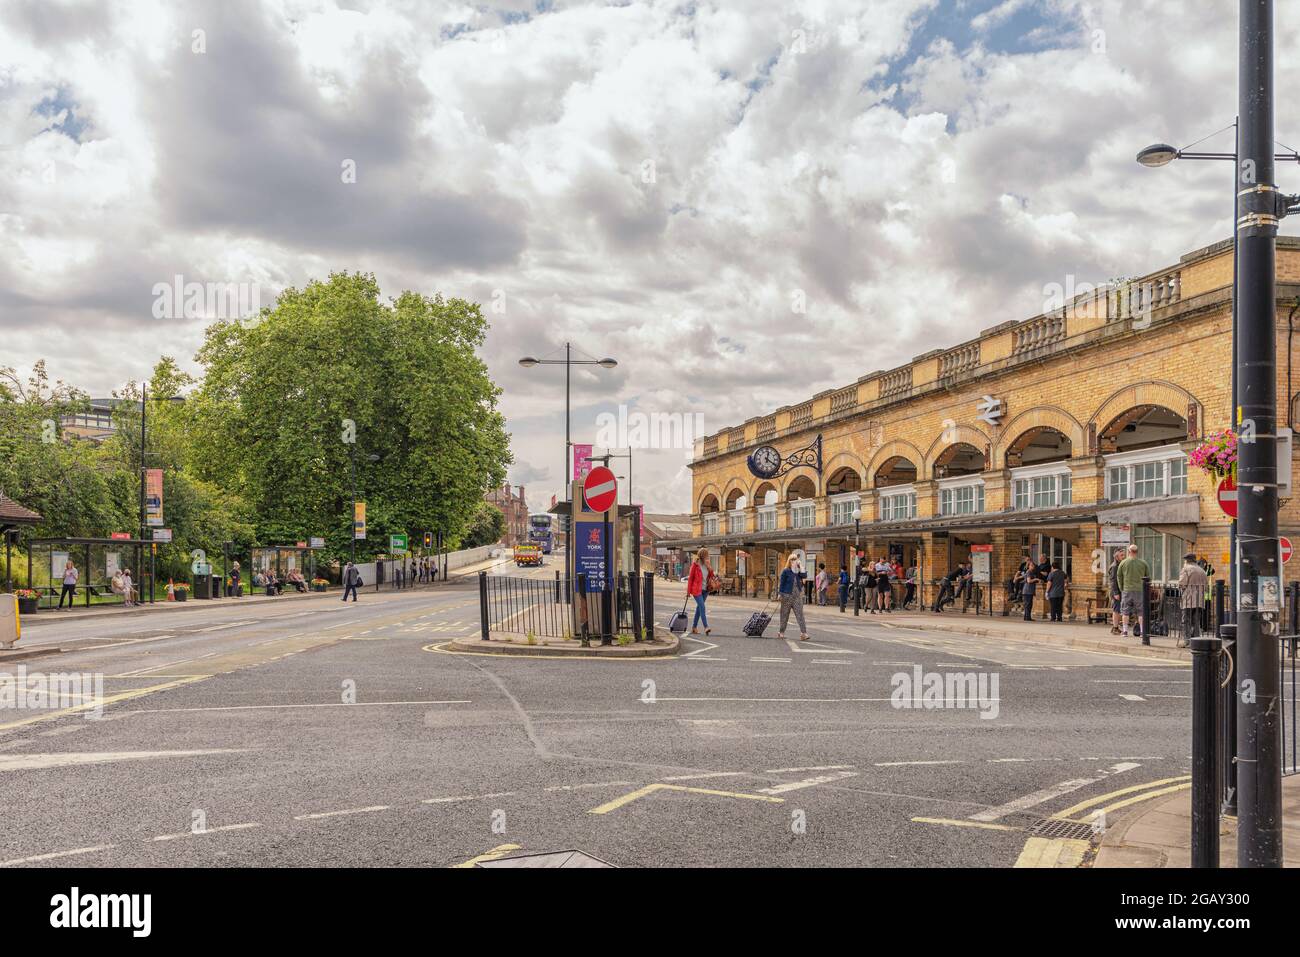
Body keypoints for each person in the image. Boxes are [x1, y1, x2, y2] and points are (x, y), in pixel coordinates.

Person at [1117, 543, 1150, 638]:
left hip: (1127, 590)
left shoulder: (1123, 563)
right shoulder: (1143, 563)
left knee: (1125, 612)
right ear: (1137, 552)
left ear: (1129, 552)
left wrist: (1121, 588)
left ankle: (1125, 631)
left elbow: (1119, 576)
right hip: (1140, 590)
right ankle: (1142, 632)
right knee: (1141, 612)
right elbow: (1148, 577)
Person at [1177, 553, 1209, 647]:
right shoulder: (1202, 570)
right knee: (1196, 621)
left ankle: (1187, 640)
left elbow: (1182, 584)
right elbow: (1206, 586)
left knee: (1186, 620)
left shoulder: (1186, 569)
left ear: (1187, 560)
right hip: (1199, 600)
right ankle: (1196, 641)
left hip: (1188, 600)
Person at [776, 552, 809, 641]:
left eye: (795, 559)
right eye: (793, 559)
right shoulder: (786, 571)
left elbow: (804, 576)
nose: (794, 561)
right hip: (787, 595)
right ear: (789, 561)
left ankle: (803, 633)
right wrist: (780, 594)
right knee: (784, 614)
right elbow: (782, 583)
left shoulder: (798, 572)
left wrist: (801, 565)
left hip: (797, 596)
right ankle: (781, 632)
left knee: (800, 614)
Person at [686, 547, 712, 636]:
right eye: (706, 555)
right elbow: (690, 579)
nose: (707, 557)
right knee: (702, 607)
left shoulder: (707, 564)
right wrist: (688, 592)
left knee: (699, 608)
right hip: (697, 590)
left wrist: (709, 568)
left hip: (706, 590)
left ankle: (694, 627)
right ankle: (706, 627)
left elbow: (711, 576)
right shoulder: (695, 565)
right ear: (702, 556)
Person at [1106, 549, 1125, 635]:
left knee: (1118, 610)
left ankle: (1115, 627)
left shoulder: (1119, 565)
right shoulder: (1114, 566)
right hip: (1116, 592)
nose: (1123, 557)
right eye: (1121, 555)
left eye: (1123, 555)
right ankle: (1115, 628)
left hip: (1118, 591)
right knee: (1116, 610)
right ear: (1116, 557)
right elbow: (1113, 581)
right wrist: (1116, 593)